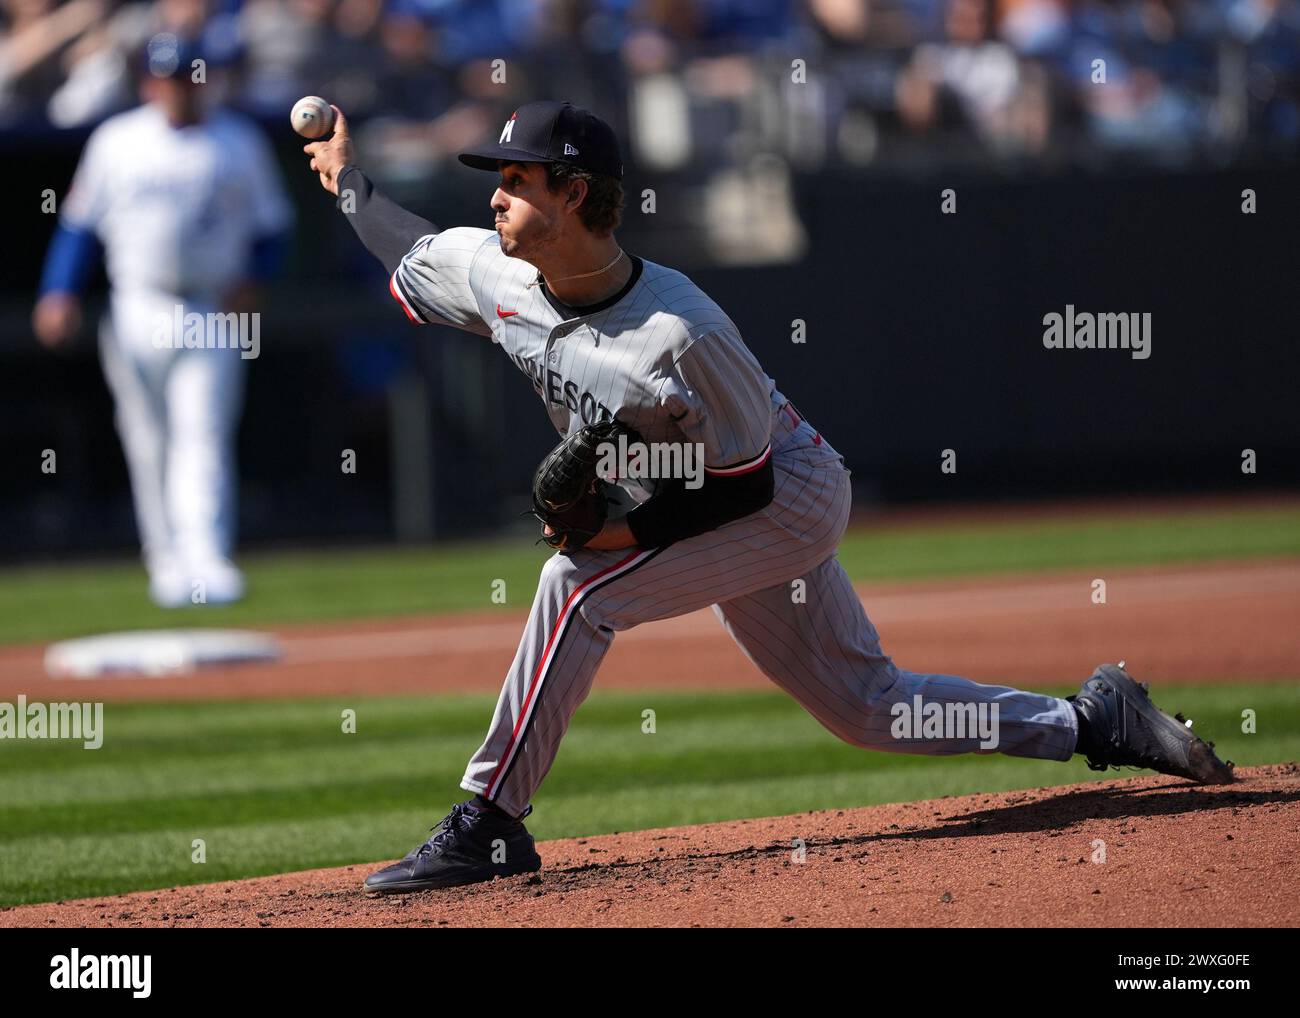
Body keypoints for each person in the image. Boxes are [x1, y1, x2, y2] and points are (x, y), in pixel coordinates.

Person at [303, 99, 1234, 894]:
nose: (495, 194)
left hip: (781, 496)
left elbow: (736, 489)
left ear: (574, 194)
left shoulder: (680, 333)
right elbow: (411, 244)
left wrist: (615, 536)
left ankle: (492, 820)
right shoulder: (498, 273)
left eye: (516, 177)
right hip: (709, 497)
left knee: (575, 591)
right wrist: (347, 176)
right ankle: (1093, 719)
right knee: (867, 708)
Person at [34, 34, 293, 607]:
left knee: (202, 431)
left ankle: (206, 558)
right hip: (138, 302)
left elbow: (273, 227)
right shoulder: (117, 141)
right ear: (149, 82)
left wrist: (255, 279)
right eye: (168, 78)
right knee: (146, 438)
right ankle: (165, 561)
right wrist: (59, 292)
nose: (179, 88)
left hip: (210, 305)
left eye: (189, 77)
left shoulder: (238, 140)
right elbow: (78, 225)